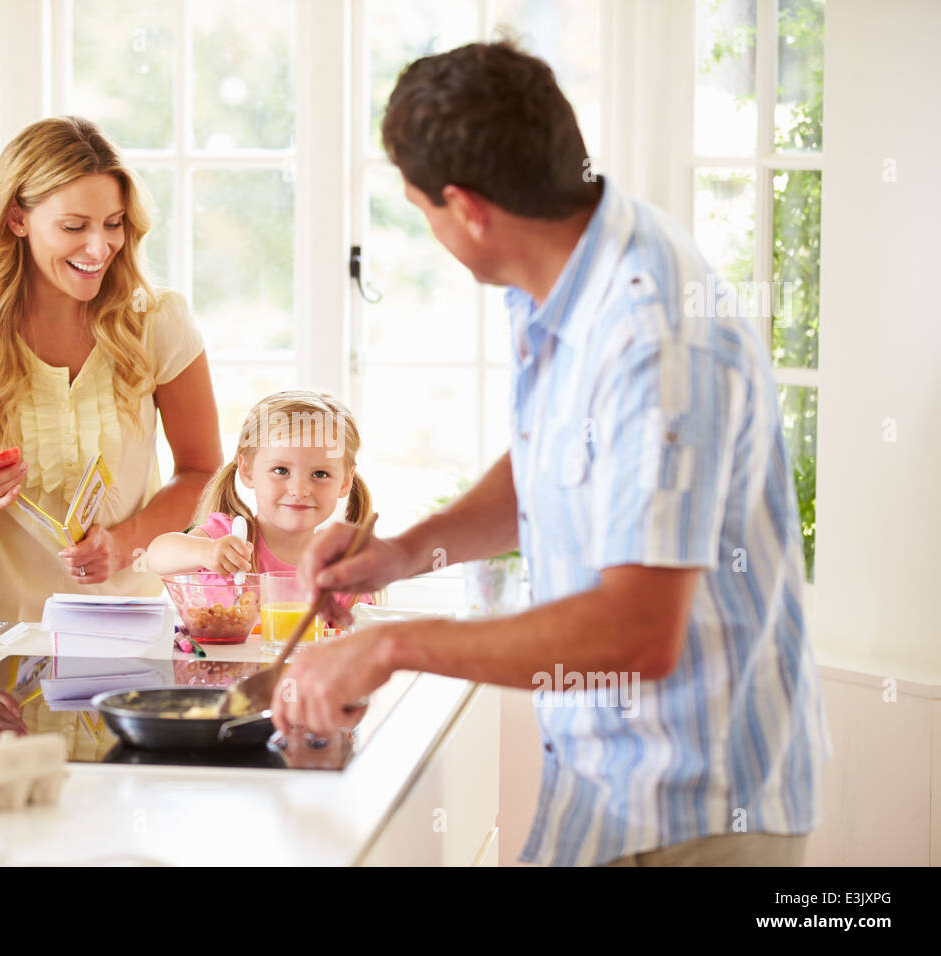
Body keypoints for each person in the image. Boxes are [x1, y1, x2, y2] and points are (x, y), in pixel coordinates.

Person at [273, 40, 830, 867]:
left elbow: (639, 631)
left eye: (423, 211)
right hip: (600, 790)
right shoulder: (558, 269)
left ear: (467, 209)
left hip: (696, 812)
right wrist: (396, 554)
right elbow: (554, 459)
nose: (431, 231)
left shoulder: (656, 331)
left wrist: (390, 646)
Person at [0, 116, 223, 621]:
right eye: (74, 226)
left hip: (128, 629)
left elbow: (202, 472)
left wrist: (123, 543)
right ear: (16, 218)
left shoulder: (159, 323)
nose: (99, 248)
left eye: (113, 223)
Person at [146, 390, 372, 593]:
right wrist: (206, 551)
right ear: (247, 471)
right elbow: (157, 555)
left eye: (320, 474)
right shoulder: (227, 538)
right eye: (281, 470)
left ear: (345, 482)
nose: (299, 490)